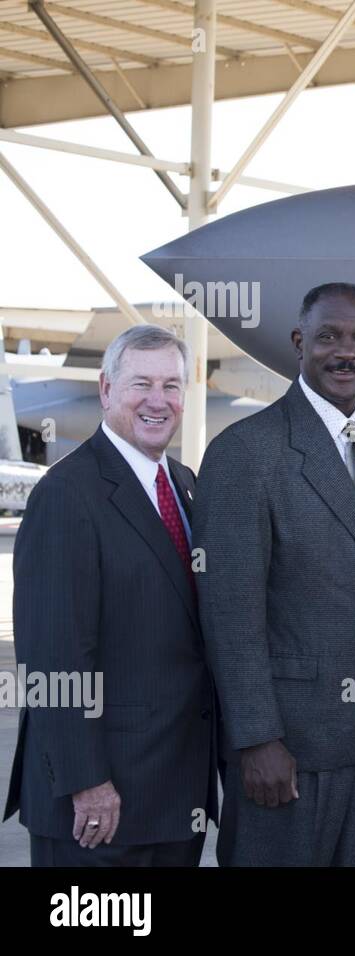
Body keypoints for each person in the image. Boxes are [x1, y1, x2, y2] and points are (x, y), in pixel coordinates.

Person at [193, 282, 355, 866]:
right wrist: (257, 739)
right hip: (288, 750)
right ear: (298, 342)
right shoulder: (246, 452)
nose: (347, 352)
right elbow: (230, 612)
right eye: (329, 337)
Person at [4, 324, 218, 866]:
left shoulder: (185, 484)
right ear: (105, 389)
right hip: (101, 808)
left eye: (171, 386)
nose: (158, 400)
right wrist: (87, 783)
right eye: (140, 383)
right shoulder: (66, 496)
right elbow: (54, 657)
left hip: (173, 796)